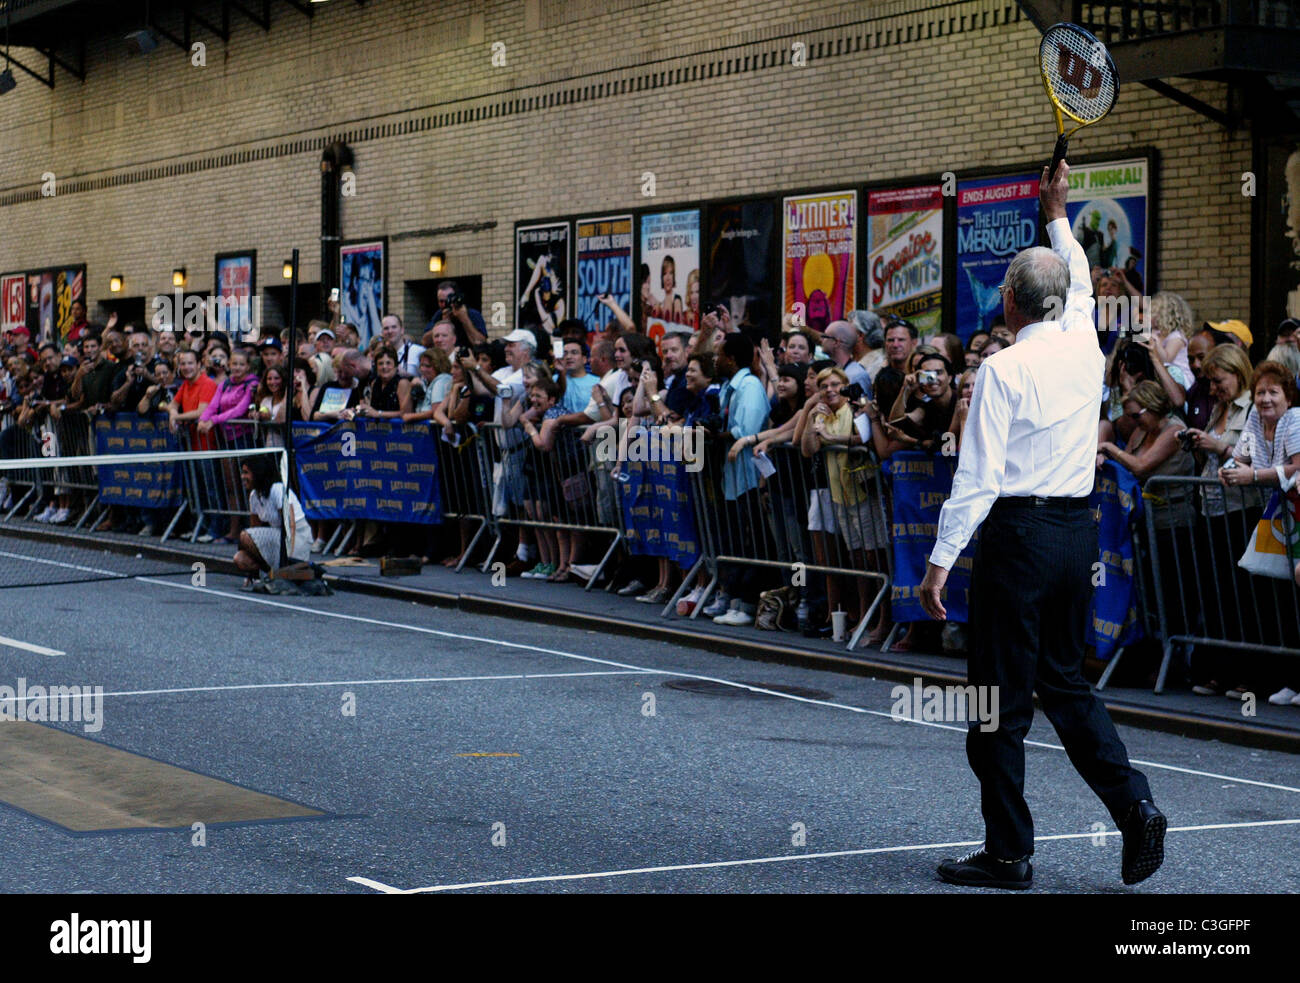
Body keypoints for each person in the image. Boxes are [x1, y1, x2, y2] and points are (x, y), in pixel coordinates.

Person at [920, 163, 1162, 890]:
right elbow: (1078, 278)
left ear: (1008, 300)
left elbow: (978, 477)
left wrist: (939, 561)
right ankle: (1135, 804)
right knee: (1064, 683)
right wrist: (1057, 212)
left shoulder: (1002, 369)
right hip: (1075, 532)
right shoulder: (1085, 341)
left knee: (996, 700)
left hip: (1019, 537)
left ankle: (1008, 852)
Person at [233, 454, 313, 590]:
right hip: (279, 536)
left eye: (246, 473)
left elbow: (291, 525)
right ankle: (264, 575)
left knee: (244, 536)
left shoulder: (277, 489)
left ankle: (278, 573)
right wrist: (249, 573)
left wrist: (290, 558)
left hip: (297, 537)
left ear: (258, 473)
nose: (242, 477)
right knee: (239, 558)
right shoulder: (254, 496)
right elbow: (254, 529)